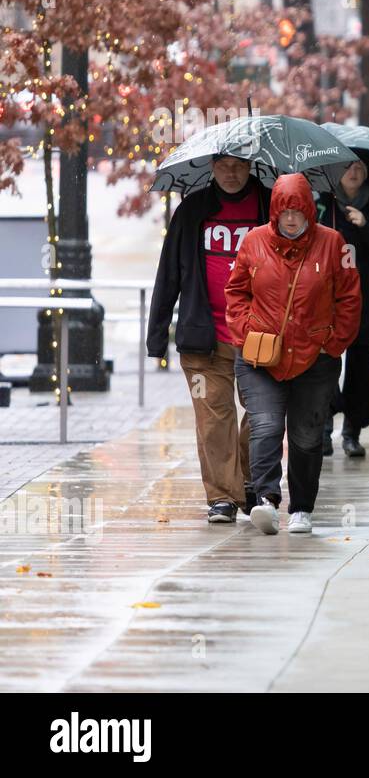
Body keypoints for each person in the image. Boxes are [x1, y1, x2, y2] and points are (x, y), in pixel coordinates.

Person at [226, 174, 362, 535]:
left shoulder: (332, 243)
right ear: (274, 211)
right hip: (262, 356)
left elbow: (349, 297)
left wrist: (332, 343)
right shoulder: (254, 242)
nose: (291, 218)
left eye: (298, 211)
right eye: (284, 211)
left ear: (309, 212)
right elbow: (236, 291)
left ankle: (302, 507)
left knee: (305, 435)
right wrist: (244, 331)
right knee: (266, 424)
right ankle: (265, 500)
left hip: (315, 358)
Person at [147, 156, 269, 524]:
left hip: (259, 334)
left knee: (264, 415)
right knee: (214, 418)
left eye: (238, 166)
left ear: (251, 167)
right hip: (205, 337)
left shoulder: (270, 206)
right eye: (223, 166)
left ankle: (246, 480)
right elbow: (168, 272)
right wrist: (157, 338)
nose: (231, 173)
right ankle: (222, 496)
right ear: (212, 167)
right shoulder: (193, 210)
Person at [315, 154, 369, 458]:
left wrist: (364, 226)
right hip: (326, 299)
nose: (354, 172)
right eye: (348, 166)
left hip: (364, 298)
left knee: (361, 367)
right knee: (324, 362)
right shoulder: (322, 204)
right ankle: (323, 426)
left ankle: (352, 431)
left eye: (360, 167)